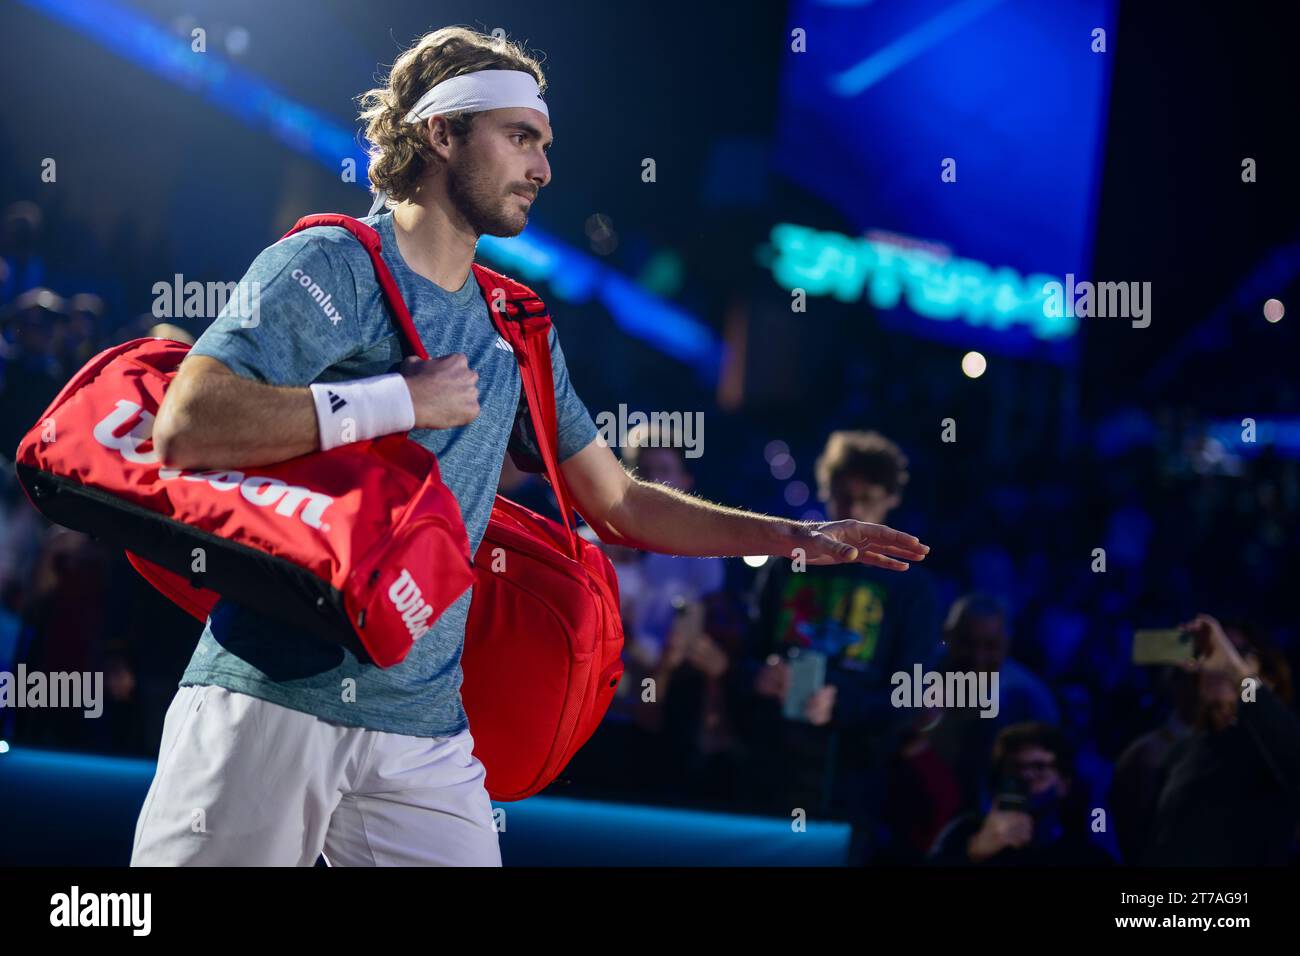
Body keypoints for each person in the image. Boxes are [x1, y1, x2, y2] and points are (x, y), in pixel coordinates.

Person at [130, 27, 929, 866]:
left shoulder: (515, 327)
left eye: (543, 144)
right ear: (440, 132)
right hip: (268, 696)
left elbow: (616, 502)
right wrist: (396, 398)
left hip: (424, 734)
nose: (543, 169)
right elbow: (188, 427)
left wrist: (792, 537)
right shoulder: (330, 262)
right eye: (520, 138)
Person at [734, 430, 939, 862]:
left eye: (867, 499)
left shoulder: (910, 586)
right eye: (844, 498)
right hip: (769, 762)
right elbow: (742, 655)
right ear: (828, 493)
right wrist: (758, 678)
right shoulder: (788, 563)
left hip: (852, 778)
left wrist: (842, 704)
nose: (854, 512)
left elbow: (911, 695)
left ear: (890, 500)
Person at [1135, 614, 1300, 866]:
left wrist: (1238, 675)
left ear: (1268, 677)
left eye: (1237, 652)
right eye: (1211, 653)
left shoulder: (1272, 742)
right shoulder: (1181, 753)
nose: (1217, 664)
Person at [923, 593, 1059, 810]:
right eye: (968, 644)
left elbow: (1045, 781)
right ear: (948, 636)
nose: (978, 658)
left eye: (991, 646)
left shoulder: (1029, 699)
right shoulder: (918, 678)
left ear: (1007, 643)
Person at [928, 722, 1114, 866]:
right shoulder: (962, 836)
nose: (1026, 776)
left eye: (1039, 767)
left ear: (1064, 783)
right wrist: (973, 855)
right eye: (1015, 768)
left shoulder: (1085, 857)